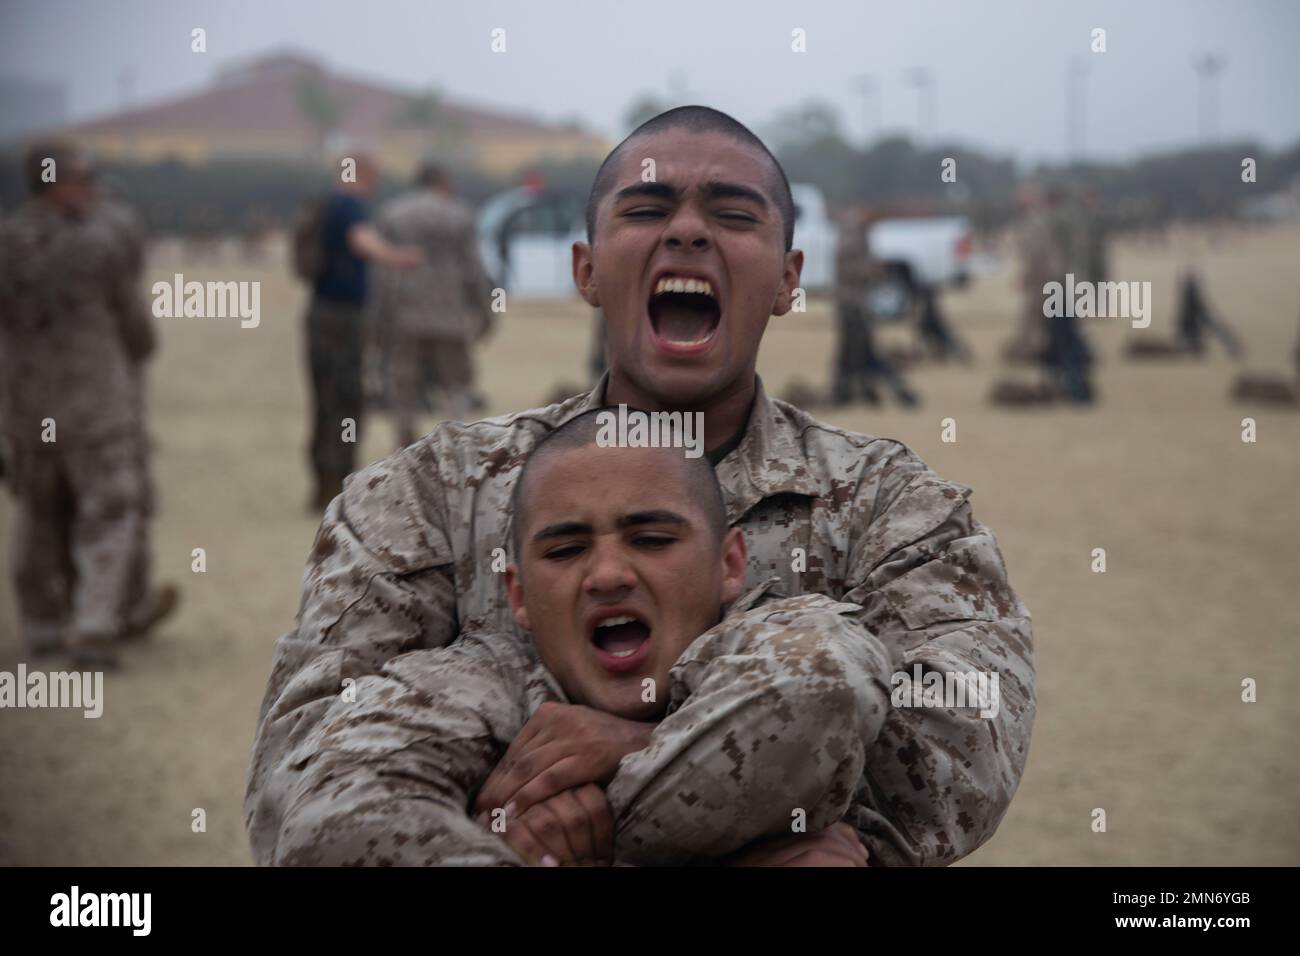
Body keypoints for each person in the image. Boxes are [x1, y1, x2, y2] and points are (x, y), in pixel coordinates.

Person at [246, 106, 1035, 867]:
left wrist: (624, 757)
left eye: (732, 214)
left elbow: (964, 747)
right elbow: (303, 782)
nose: (687, 231)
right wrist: (742, 808)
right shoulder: (427, 496)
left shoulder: (892, 506)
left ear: (788, 279)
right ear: (587, 271)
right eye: (648, 209)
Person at [271, 411, 882, 865]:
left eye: (651, 540)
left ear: (730, 565)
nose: (608, 575)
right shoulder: (472, 683)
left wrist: (630, 751)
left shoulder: (775, 636)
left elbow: (821, 687)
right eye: (565, 551)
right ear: (517, 595)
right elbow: (328, 824)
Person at [0, 142, 177, 667]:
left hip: (29, 408)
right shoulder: (99, 243)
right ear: (53, 182)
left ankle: (42, 624)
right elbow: (137, 330)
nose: (92, 188)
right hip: (95, 403)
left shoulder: (6, 243)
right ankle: (96, 622)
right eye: (82, 178)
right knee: (109, 512)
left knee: (40, 513)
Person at [302, 153, 422, 509]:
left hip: (320, 313)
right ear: (364, 174)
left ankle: (322, 482)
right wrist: (400, 257)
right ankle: (339, 482)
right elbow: (362, 241)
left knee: (325, 400)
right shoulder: (349, 206)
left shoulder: (326, 205)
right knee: (348, 399)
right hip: (343, 318)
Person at [370, 162, 495, 445]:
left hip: (405, 314)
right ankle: (456, 445)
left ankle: (404, 445)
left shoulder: (393, 213)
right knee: (456, 385)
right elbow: (474, 270)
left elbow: (382, 274)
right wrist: (485, 312)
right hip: (450, 315)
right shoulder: (460, 215)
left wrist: (377, 320)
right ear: (443, 182)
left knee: (403, 386)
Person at [830, 211, 918, 406]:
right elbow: (848, 267)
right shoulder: (853, 235)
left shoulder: (856, 233)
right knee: (865, 352)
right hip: (851, 303)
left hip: (854, 302)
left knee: (851, 353)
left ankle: (849, 393)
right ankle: (899, 393)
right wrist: (871, 270)